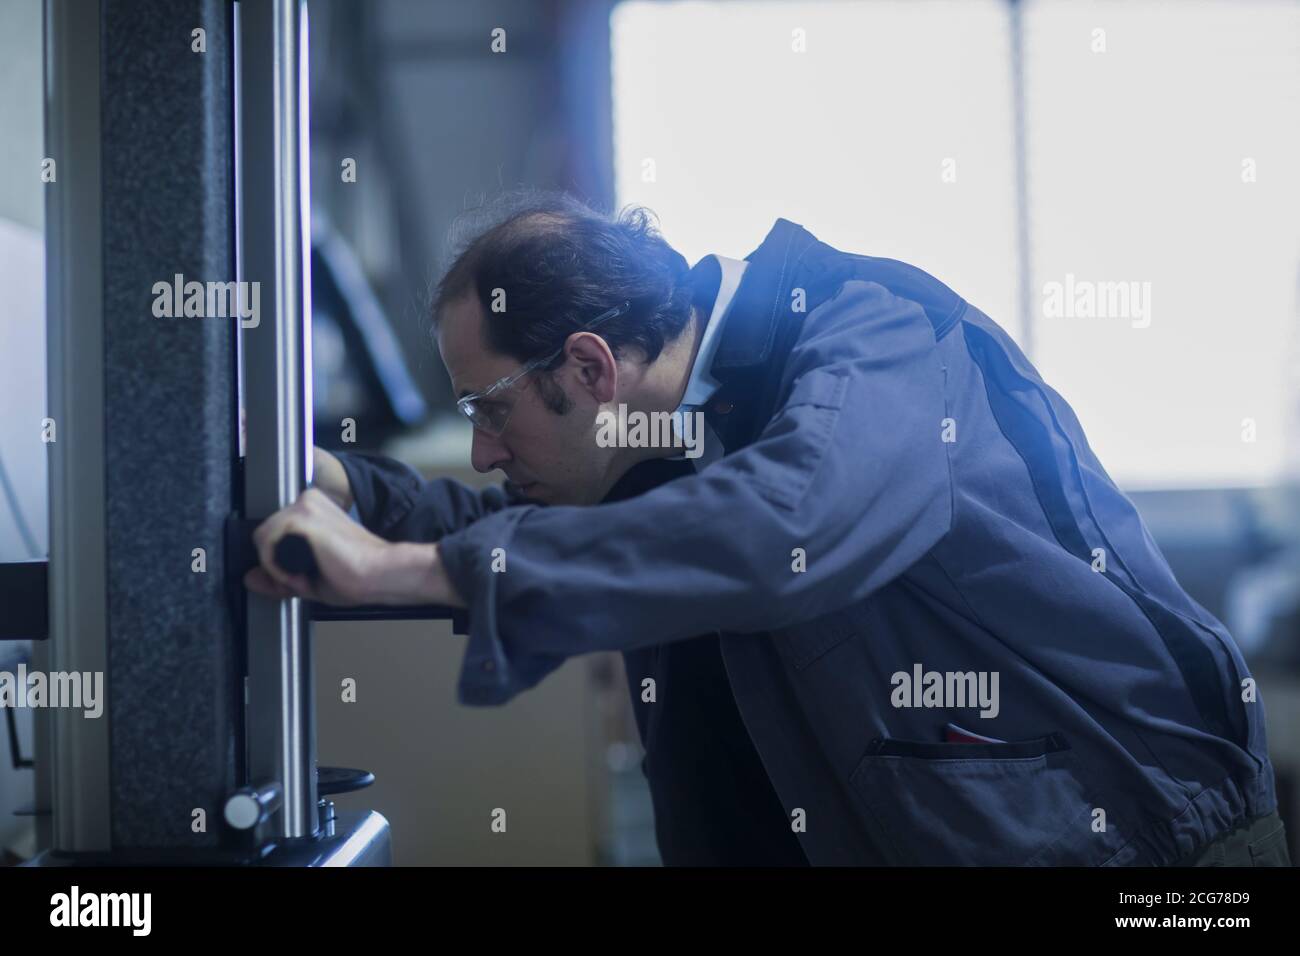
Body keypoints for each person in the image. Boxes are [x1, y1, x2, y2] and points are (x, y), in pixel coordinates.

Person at [245, 192, 1288, 867]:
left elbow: (779, 524)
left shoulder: (872, 336)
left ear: (591, 367)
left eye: (489, 409)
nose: (480, 448)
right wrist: (348, 489)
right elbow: (515, 524)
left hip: (1155, 852)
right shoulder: (672, 434)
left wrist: (417, 569)